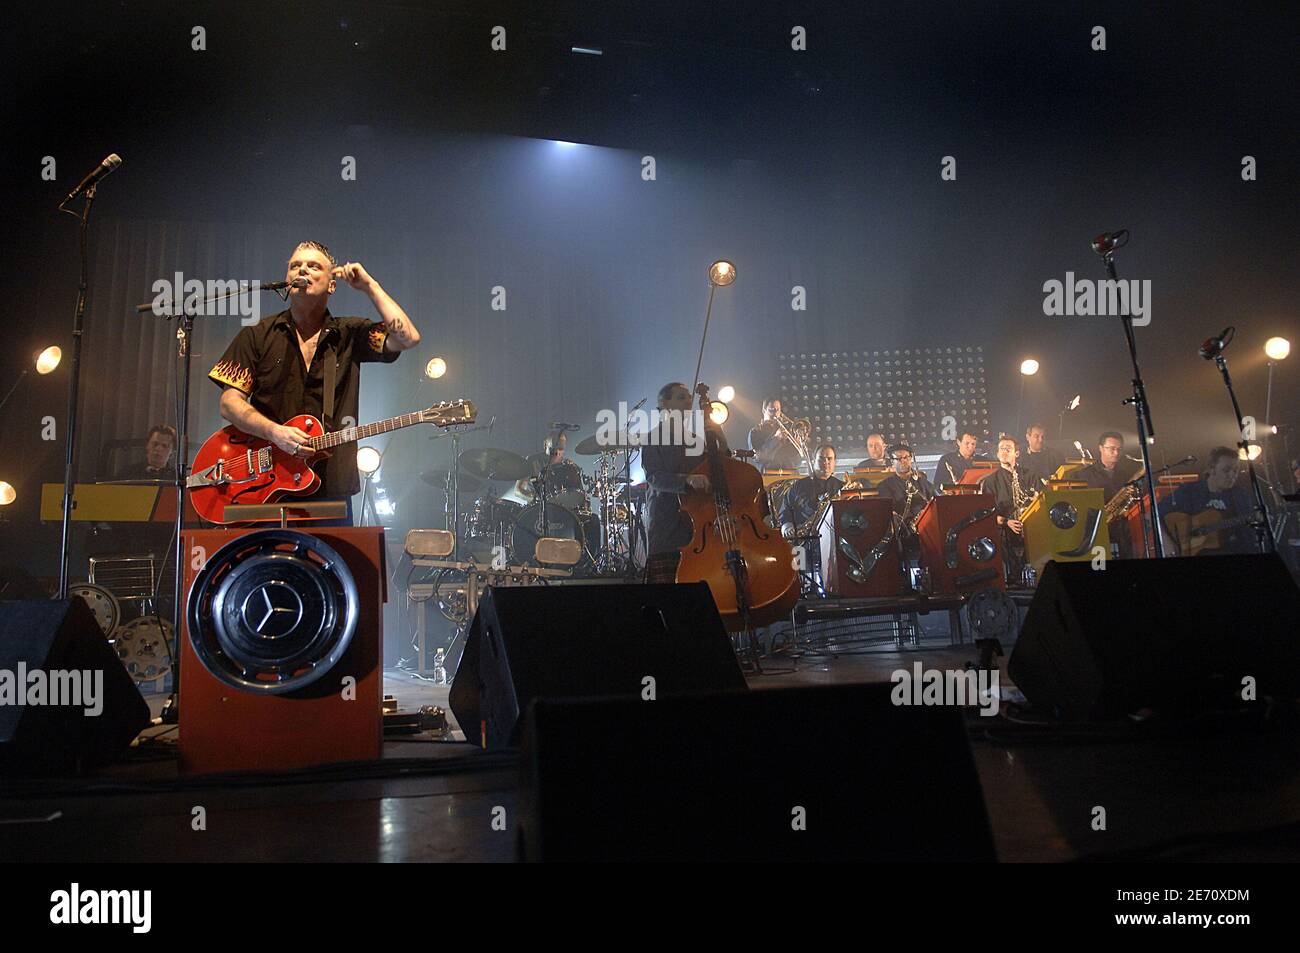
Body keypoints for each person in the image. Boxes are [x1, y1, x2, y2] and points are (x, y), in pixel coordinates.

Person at [208, 241, 420, 518]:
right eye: (295, 265)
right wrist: (274, 432)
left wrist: (370, 286)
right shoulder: (257, 335)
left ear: (332, 285)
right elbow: (229, 404)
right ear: (286, 281)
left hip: (330, 483)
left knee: (328, 561)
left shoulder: (349, 333)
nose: (302, 269)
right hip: (267, 483)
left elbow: (408, 338)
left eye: (314, 265)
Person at [642, 382, 726, 583]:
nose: (688, 400)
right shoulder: (653, 437)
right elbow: (654, 477)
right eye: (681, 397)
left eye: (689, 397)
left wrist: (718, 433)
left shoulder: (695, 440)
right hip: (667, 521)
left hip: (697, 525)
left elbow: (719, 465)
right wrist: (687, 479)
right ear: (664, 404)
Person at [1161, 447, 1258, 556]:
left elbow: (1249, 531)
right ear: (1212, 469)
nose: (1232, 475)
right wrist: (1166, 543)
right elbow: (1151, 514)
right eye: (1226, 470)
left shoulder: (1240, 496)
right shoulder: (1190, 491)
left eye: (1235, 470)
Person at [978, 435, 1033, 583]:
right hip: (1004, 533)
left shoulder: (1030, 475)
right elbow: (986, 514)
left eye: (1008, 449)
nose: (1004, 452)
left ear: (1017, 453)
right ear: (997, 454)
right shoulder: (989, 482)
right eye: (1001, 449)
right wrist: (1007, 522)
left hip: (1031, 529)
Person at [876, 444, 935, 559]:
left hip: (926, 528)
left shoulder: (924, 483)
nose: (903, 461)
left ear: (911, 459)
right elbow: (886, 510)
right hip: (902, 532)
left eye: (906, 457)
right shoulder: (885, 486)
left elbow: (936, 501)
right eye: (898, 458)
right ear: (892, 462)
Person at [747, 397, 803, 471]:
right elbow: (758, 457)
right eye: (772, 410)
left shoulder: (783, 429)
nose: (776, 413)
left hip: (788, 472)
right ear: (764, 411)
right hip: (768, 474)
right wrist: (775, 439)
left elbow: (790, 456)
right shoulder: (756, 432)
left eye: (778, 410)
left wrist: (796, 446)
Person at [1021, 422, 1065, 489]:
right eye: (1036, 436)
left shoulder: (1055, 456)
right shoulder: (1020, 458)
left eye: (1043, 437)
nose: (1040, 440)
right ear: (1027, 437)